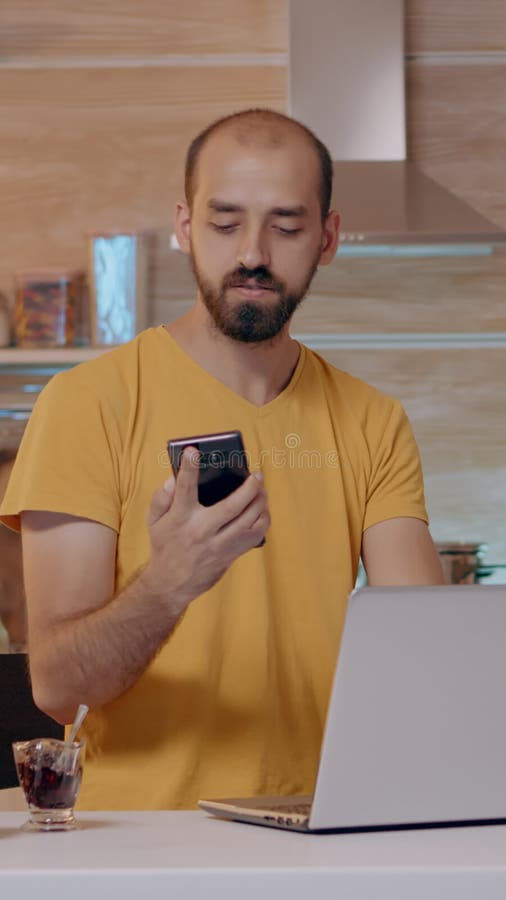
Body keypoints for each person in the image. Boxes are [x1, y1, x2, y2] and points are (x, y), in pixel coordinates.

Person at [0, 109, 444, 809]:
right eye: (225, 221)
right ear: (185, 226)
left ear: (327, 237)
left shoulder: (372, 422)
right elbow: (59, 683)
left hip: (322, 829)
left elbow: (428, 655)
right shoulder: (89, 403)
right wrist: (171, 579)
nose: (252, 254)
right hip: (141, 847)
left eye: (287, 225)